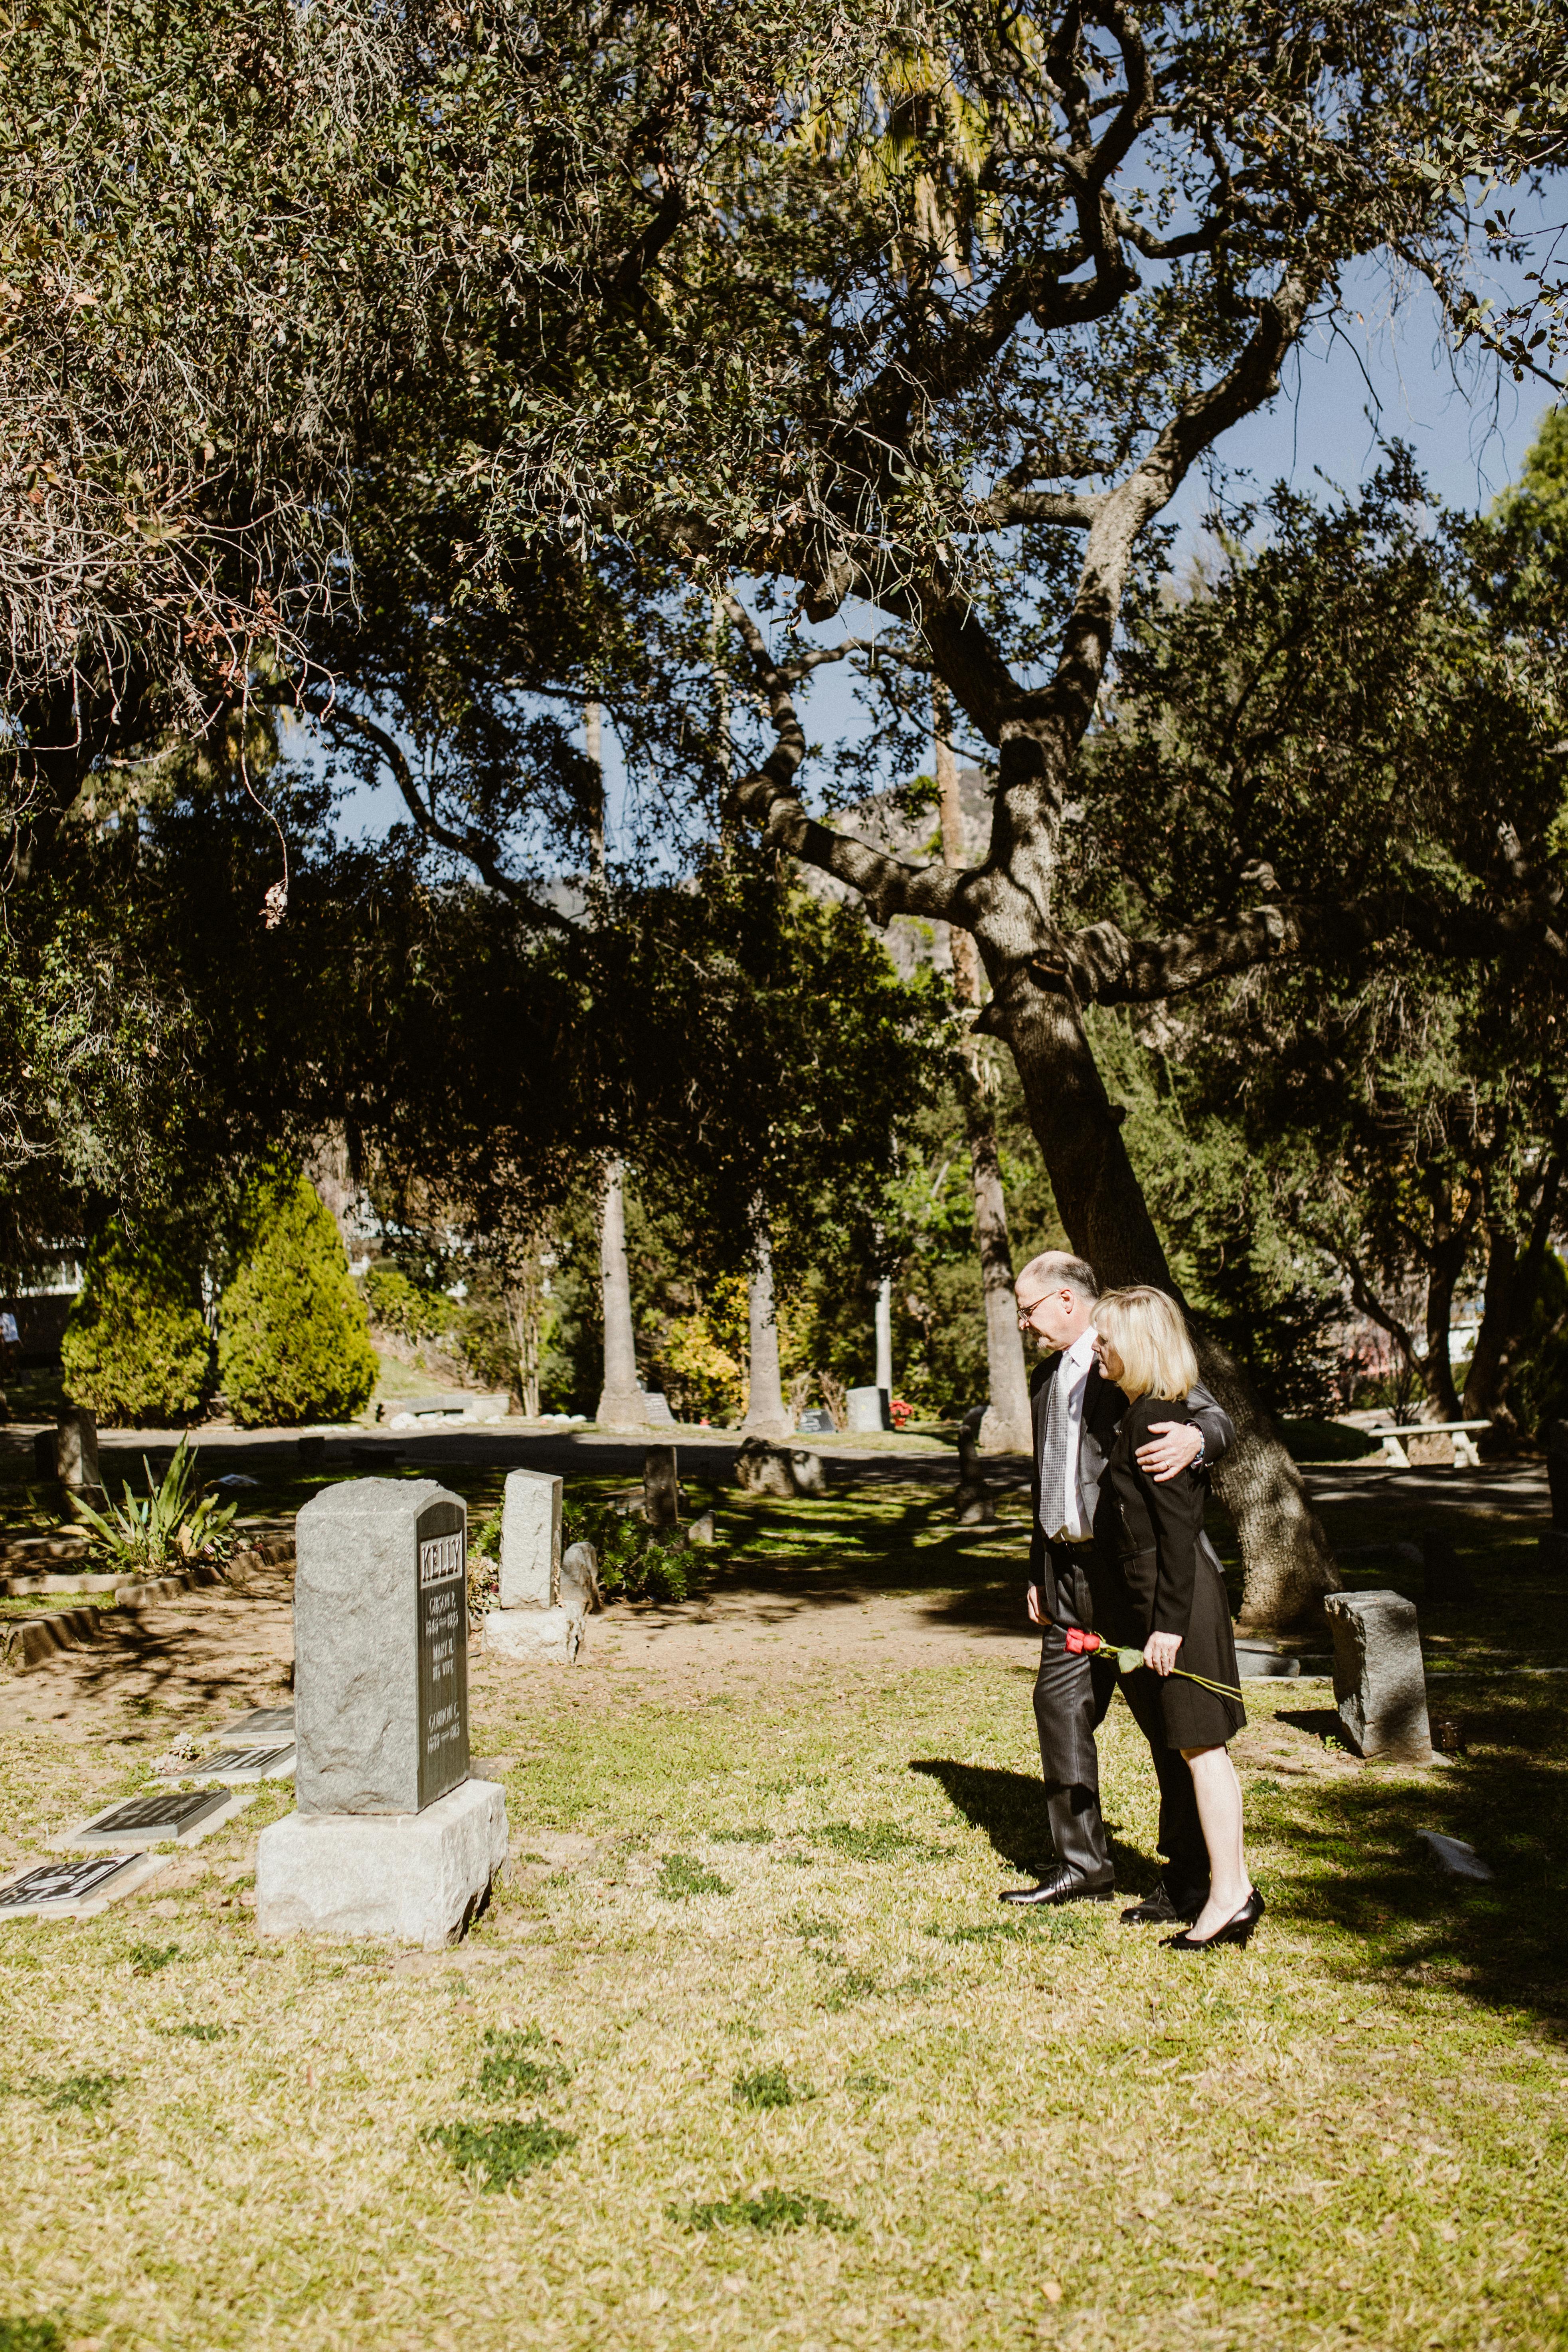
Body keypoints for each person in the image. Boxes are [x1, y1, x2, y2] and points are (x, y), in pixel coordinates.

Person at [1001, 1250, 1234, 1919]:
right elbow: (1046, 1481)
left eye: (1029, 1309)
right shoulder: (1047, 1380)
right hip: (1066, 1580)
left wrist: (1196, 1439)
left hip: (1127, 1581)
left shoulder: (1128, 1359)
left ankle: (1192, 1877)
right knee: (1058, 1705)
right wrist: (1038, 1570)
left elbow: (1214, 1416)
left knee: (1170, 1726)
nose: (1024, 1323)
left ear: (1067, 1302)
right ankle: (1081, 1864)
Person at [1093, 1285, 1262, 1950]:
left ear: (1136, 1345)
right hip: (1167, 1601)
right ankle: (1232, 1887)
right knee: (1197, 1750)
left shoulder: (1157, 1422)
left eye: (1106, 1339)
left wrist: (1167, 1625)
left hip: (1180, 1605)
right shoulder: (1140, 1412)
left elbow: (1177, 1536)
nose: (1097, 1348)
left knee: (1203, 1751)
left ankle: (1228, 1896)